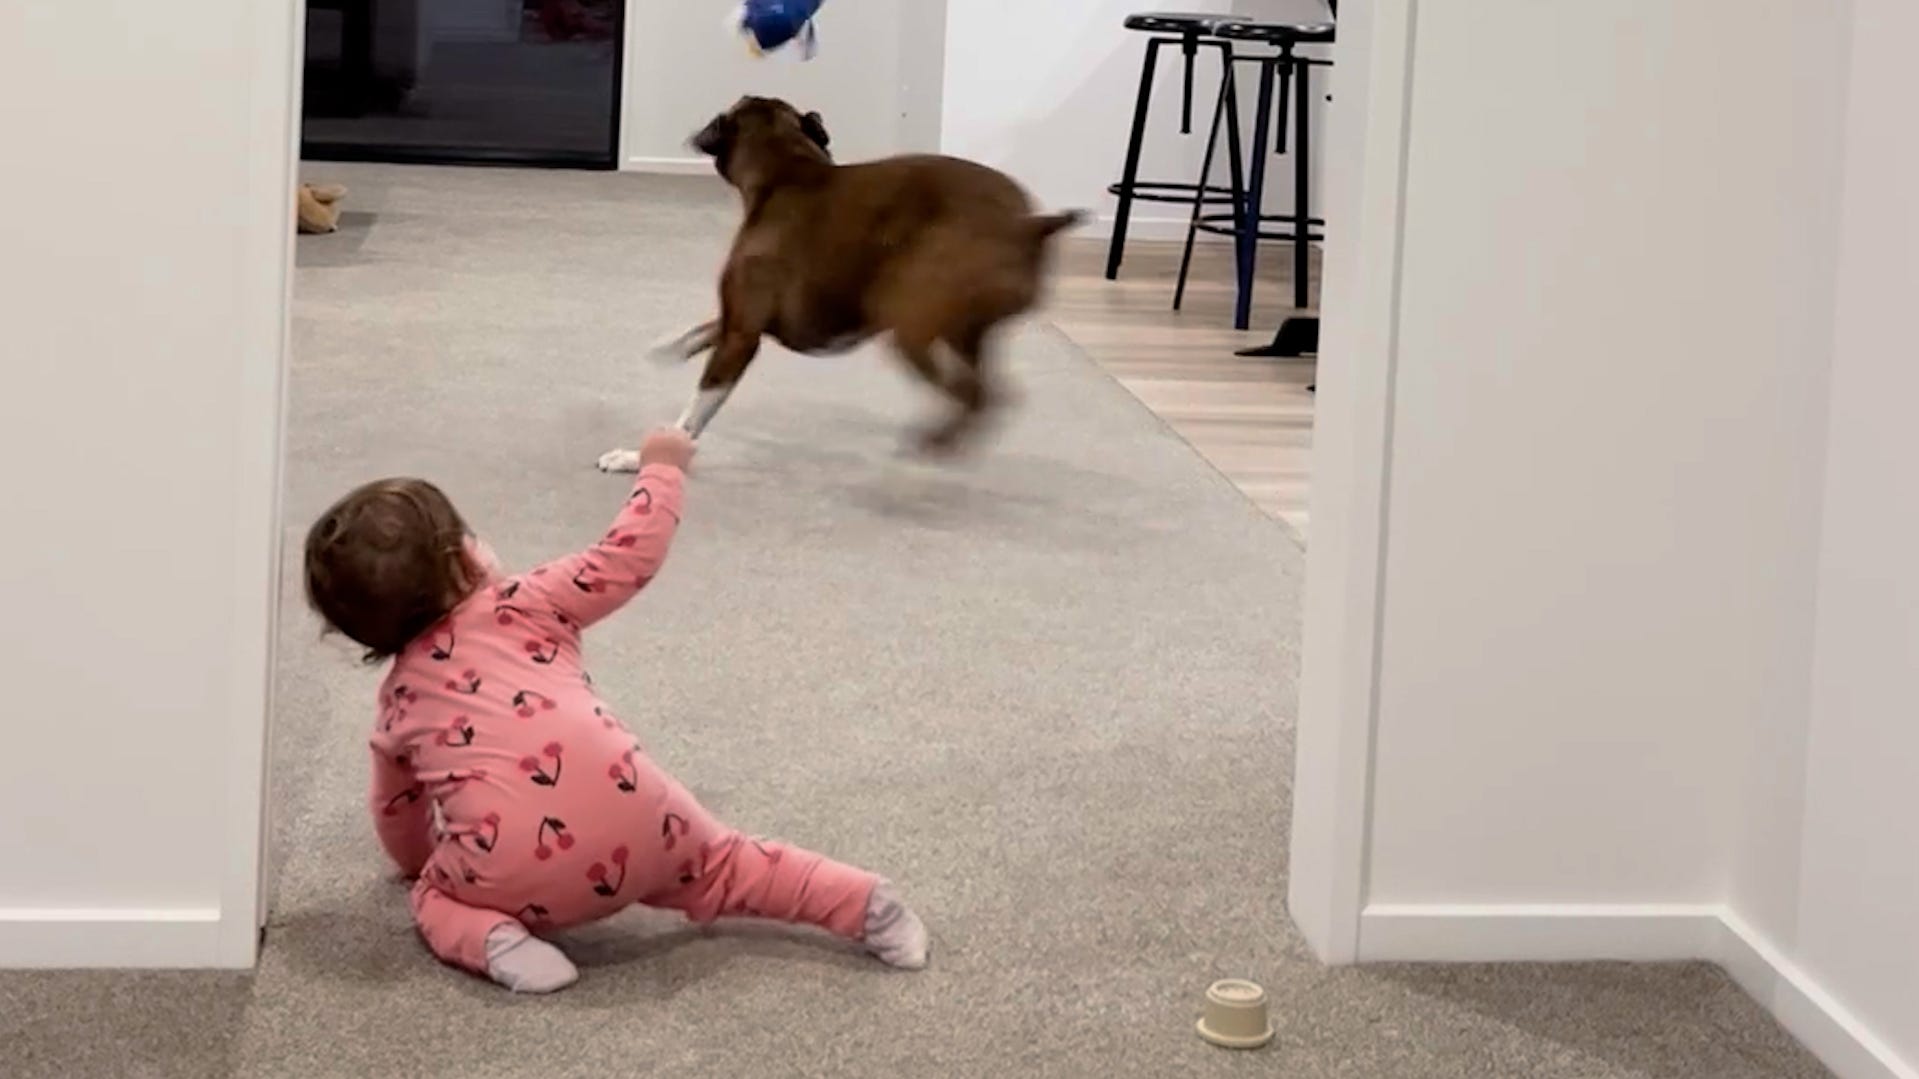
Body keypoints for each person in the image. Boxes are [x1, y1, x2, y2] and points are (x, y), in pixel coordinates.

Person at [303, 427, 928, 992]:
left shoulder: (397, 706)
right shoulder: (526, 601)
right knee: (730, 865)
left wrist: (424, 869)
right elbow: (626, 558)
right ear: (469, 559)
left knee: (433, 899)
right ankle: (863, 902)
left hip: (513, 878)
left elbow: (397, 814)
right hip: (647, 822)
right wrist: (662, 469)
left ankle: (500, 945)